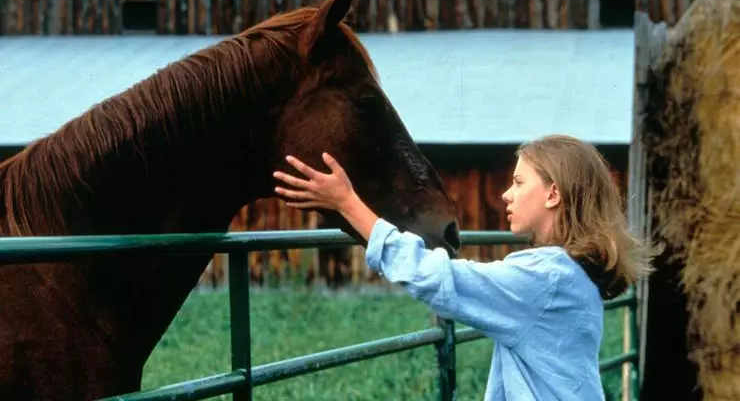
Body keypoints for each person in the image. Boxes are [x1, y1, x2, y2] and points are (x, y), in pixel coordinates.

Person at [272, 134, 653, 401]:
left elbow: (438, 278)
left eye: (519, 182)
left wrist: (347, 203)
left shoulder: (546, 277)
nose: (506, 193)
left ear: (553, 193)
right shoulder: (570, 273)